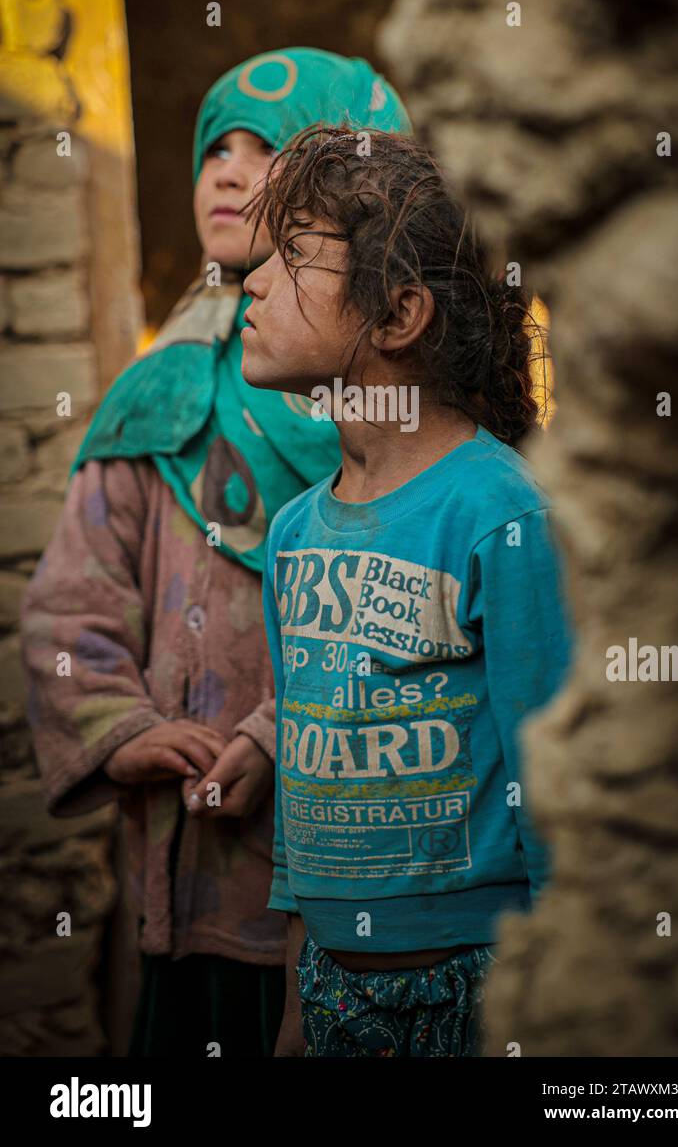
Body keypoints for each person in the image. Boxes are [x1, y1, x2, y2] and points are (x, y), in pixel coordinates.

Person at [20, 51, 411, 1058]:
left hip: (353, 881)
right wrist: (121, 727)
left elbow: (413, 616)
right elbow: (73, 604)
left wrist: (285, 733)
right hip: (184, 870)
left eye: (269, 149)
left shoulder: (397, 421)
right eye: (214, 149)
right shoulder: (155, 396)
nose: (230, 174)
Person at [240, 123, 575, 1057]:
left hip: (481, 983)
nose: (252, 282)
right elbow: (302, 787)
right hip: (332, 985)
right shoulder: (295, 533)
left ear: (396, 316)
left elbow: (555, 787)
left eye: (294, 256)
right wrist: (297, 1004)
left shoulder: (499, 510)